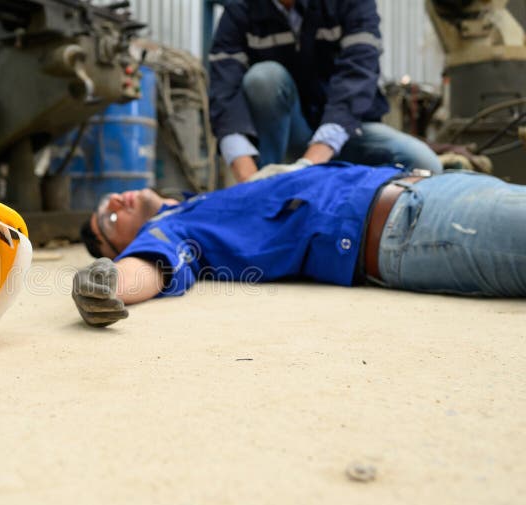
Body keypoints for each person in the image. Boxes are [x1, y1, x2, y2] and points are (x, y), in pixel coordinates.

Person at [72, 163, 526, 326]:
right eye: (110, 218)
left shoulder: (198, 202)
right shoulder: (170, 229)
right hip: (415, 227)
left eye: (106, 201)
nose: (116, 201)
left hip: (430, 191)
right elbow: (153, 263)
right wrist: (107, 283)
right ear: (120, 246)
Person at [208, 0, 443, 183]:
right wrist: (249, 178)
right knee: (264, 78)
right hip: (289, 135)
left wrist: (309, 163)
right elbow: (224, 92)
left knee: (422, 163)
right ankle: (268, 189)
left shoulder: (350, 4)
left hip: (347, 130)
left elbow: (358, 73)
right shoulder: (240, 10)